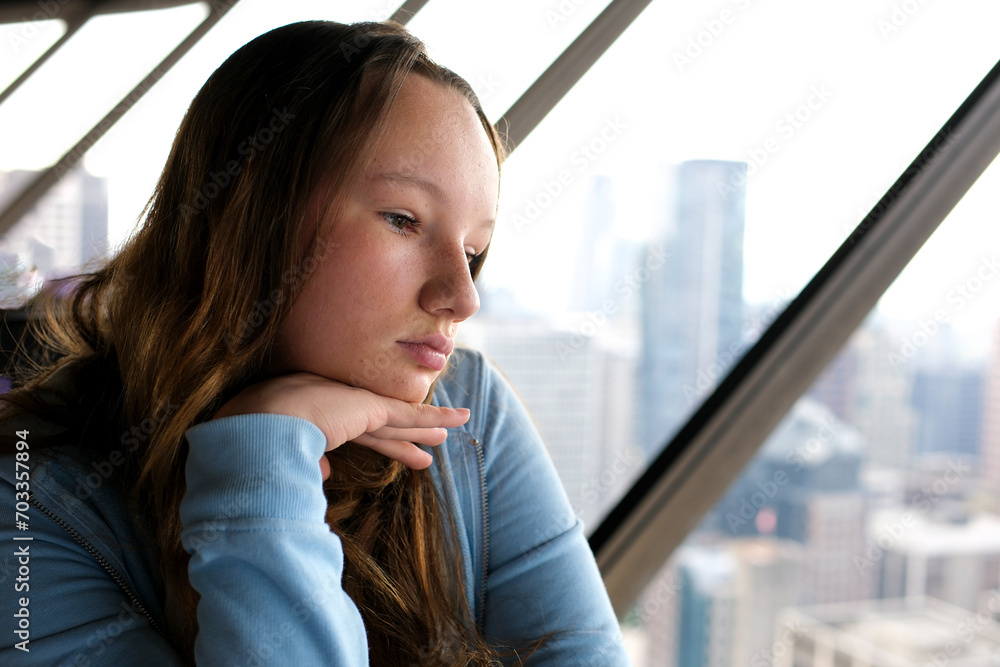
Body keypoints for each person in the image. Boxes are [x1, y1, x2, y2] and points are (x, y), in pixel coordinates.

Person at [0, 20, 630, 666]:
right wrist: (263, 456)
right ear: (250, 213)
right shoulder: (27, 503)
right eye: (404, 220)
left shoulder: (468, 416)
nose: (461, 296)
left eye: (474, 250)